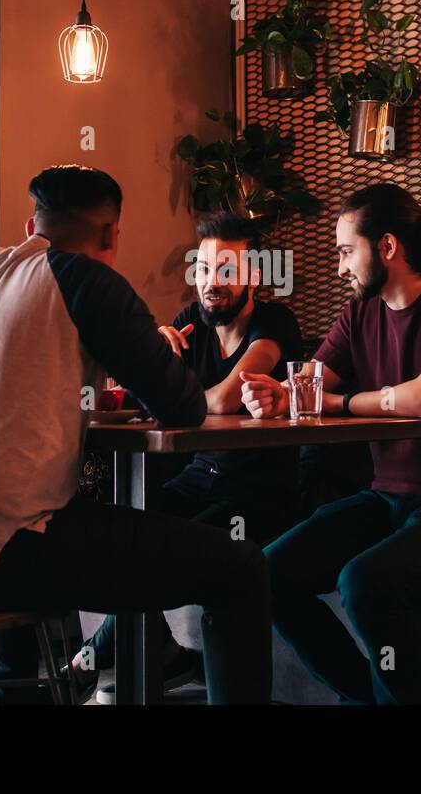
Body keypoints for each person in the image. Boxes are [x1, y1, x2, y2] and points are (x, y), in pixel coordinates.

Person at [0, 165, 272, 705]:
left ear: (29, 224)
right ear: (111, 235)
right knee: (240, 567)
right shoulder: (87, 278)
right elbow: (182, 406)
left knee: (22, 528)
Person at [239, 183, 421, 704]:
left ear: (387, 247)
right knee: (264, 574)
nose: (340, 268)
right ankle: (361, 697)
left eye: (347, 252)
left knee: (364, 582)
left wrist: (339, 403)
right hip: (389, 496)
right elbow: (310, 386)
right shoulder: (360, 315)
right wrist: (278, 397)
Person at [76, 211, 302, 702]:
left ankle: (87, 662)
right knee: (128, 529)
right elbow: (133, 391)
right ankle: (157, 651)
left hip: (259, 488)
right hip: (200, 475)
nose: (210, 282)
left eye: (225, 269)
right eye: (201, 268)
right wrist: (153, 355)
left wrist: (169, 379)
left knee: (173, 541)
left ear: (254, 276)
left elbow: (224, 398)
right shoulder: (189, 322)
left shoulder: (273, 323)